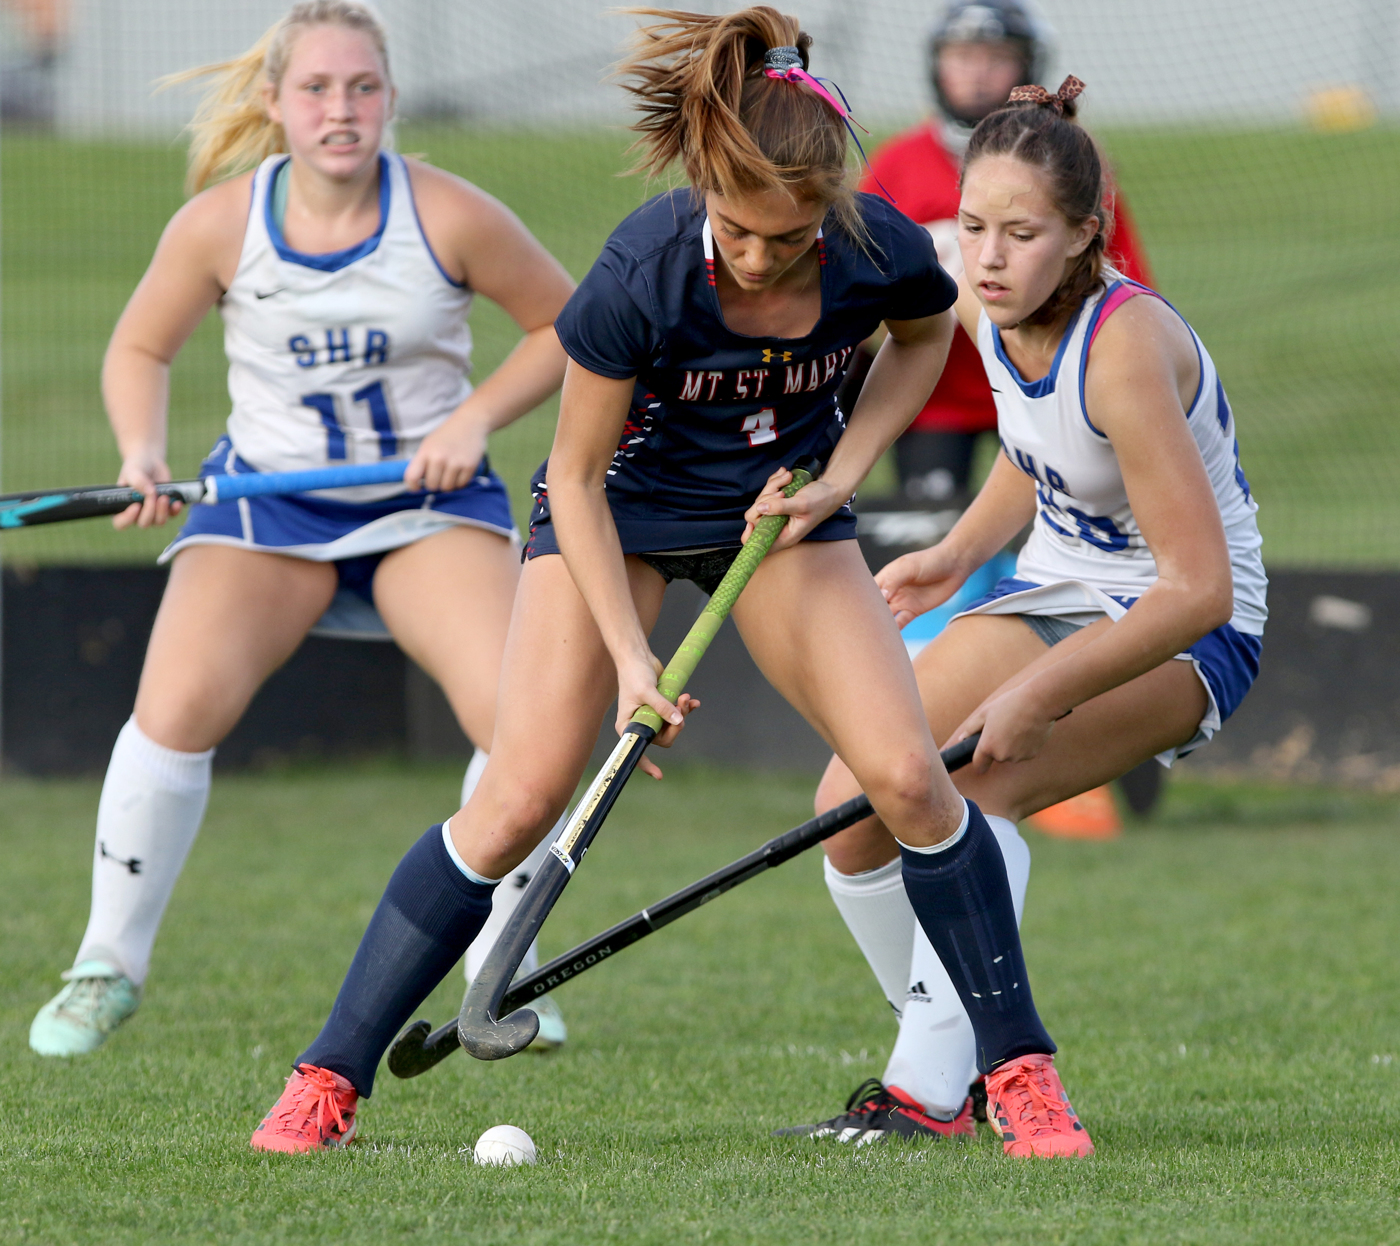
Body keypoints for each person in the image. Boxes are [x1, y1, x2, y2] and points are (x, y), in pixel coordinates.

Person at [246, 5, 1072, 1160]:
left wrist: (837, 472)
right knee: (521, 795)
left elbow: (927, 339)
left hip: (771, 520)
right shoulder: (640, 272)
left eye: (784, 241)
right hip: (618, 517)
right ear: (704, 188)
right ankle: (325, 1080)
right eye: (734, 230)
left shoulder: (872, 245)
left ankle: (1018, 1074)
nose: (753, 256)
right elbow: (573, 479)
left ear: (825, 212)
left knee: (904, 778)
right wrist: (631, 660)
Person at [28, 0, 577, 1060]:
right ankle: (106, 966)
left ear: (389, 99)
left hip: (423, 508)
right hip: (267, 508)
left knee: (525, 725)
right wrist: (140, 452)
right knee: (172, 708)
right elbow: (138, 351)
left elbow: (566, 324)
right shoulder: (220, 224)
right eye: (318, 89)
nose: (342, 109)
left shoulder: (450, 212)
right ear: (275, 104)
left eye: (362, 88)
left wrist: (472, 420)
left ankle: (497, 960)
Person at [789, 76, 1264, 1155]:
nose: (987, 258)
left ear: (1084, 236)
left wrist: (1039, 690)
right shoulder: (989, 305)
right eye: (970, 229)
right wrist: (954, 551)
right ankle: (948, 1065)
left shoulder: (1124, 347)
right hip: (1052, 588)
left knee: (974, 792)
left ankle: (926, 1089)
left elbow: (1201, 587)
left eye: (1020, 233)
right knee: (858, 800)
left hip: (1181, 627)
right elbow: (1030, 442)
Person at [852, 0, 1153, 510]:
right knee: (939, 543)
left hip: (1050, 390)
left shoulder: (1073, 167)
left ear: (1028, 65)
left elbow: (1130, 295)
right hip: (937, 403)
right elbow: (854, 302)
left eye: (996, 57)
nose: (977, 73)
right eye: (962, 56)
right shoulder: (896, 166)